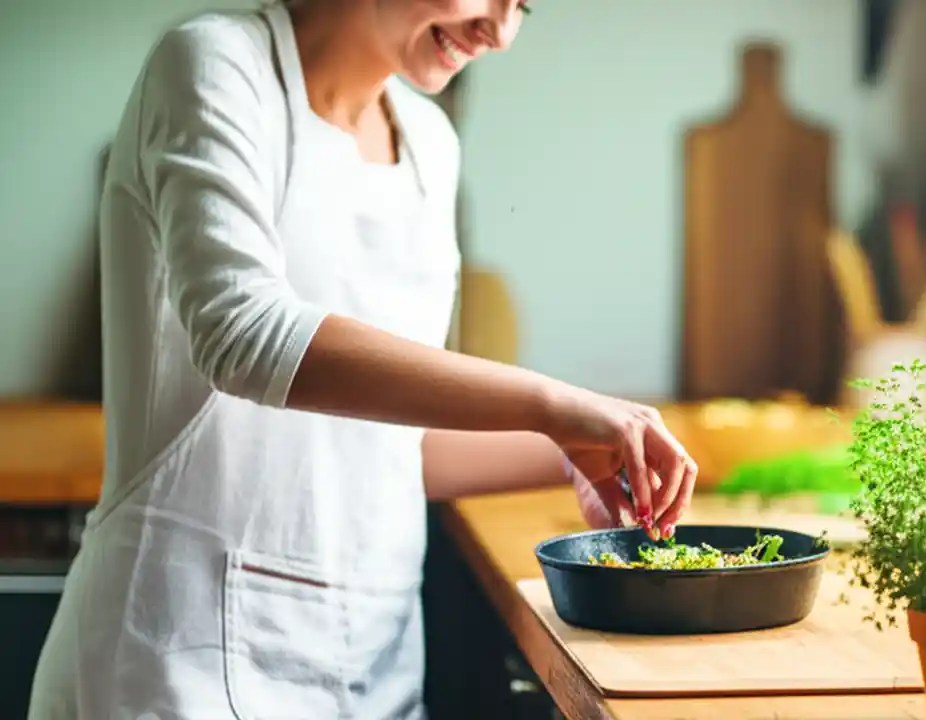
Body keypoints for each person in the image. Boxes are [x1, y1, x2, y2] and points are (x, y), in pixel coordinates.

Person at [27, 1, 697, 717]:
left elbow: (393, 444)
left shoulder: (431, 144)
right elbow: (243, 334)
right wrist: (551, 401)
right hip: (177, 659)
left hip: (371, 666)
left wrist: (572, 448)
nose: (499, 32)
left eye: (524, 4)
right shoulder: (215, 65)